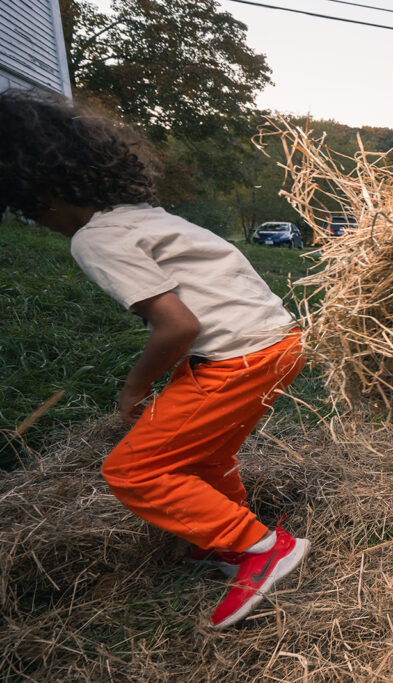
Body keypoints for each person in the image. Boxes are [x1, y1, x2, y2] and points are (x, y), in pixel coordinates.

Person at [0, 90, 310, 629]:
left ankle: (261, 549)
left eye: (28, 210)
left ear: (44, 194)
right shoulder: (148, 216)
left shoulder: (95, 238)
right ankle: (233, 535)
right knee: (206, 455)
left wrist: (135, 388)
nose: (37, 222)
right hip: (279, 343)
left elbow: (179, 325)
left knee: (135, 471)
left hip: (236, 356)